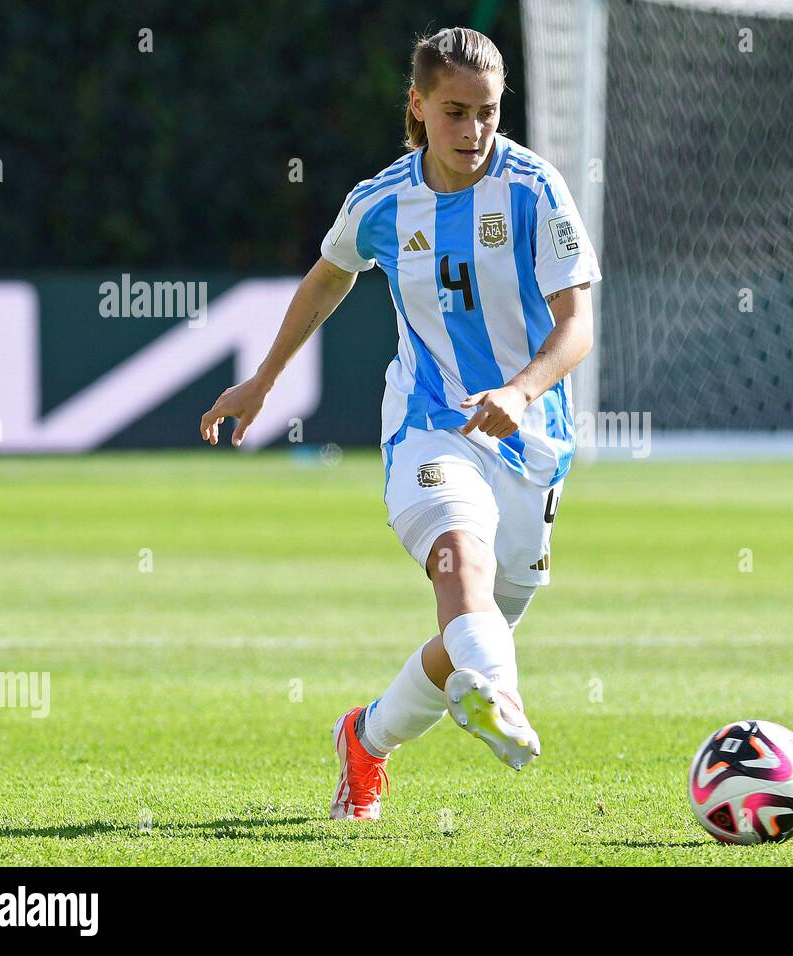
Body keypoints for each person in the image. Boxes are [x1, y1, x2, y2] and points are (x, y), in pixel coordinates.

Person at [198, 26, 601, 820]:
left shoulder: (533, 188)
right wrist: (265, 379)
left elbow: (577, 323)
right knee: (458, 564)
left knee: (466, 641)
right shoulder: (382, 199)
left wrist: (519, 393)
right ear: (417, 107)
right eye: (455, 112)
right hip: (429, 424)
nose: (475, 131)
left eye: (488, 112)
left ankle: (366, 740)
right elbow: (328, 277)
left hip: (528, 439)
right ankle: (505, 700)